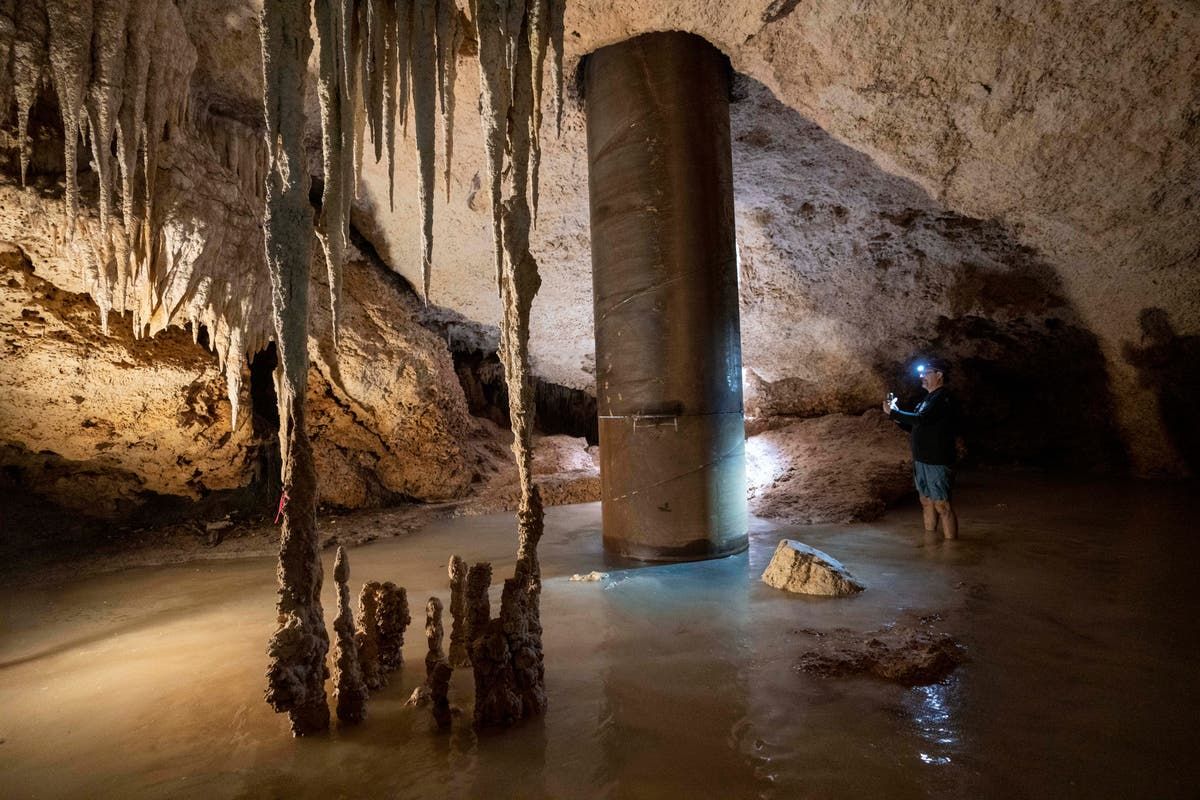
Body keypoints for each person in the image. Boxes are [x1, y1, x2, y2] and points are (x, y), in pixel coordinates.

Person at [883, 358, 959, 540]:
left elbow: (921, 419)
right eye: (921, 373)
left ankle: (952, 548)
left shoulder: (943, 398)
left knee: (942, 505)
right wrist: (896, 415)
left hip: (937, 460)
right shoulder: (927, 399)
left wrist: (894, 412)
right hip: (921, 459)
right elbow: (915, 425)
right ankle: (930, 544)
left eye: (926, 372)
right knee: (926, 501)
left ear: (939, 375)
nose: (921, 376)